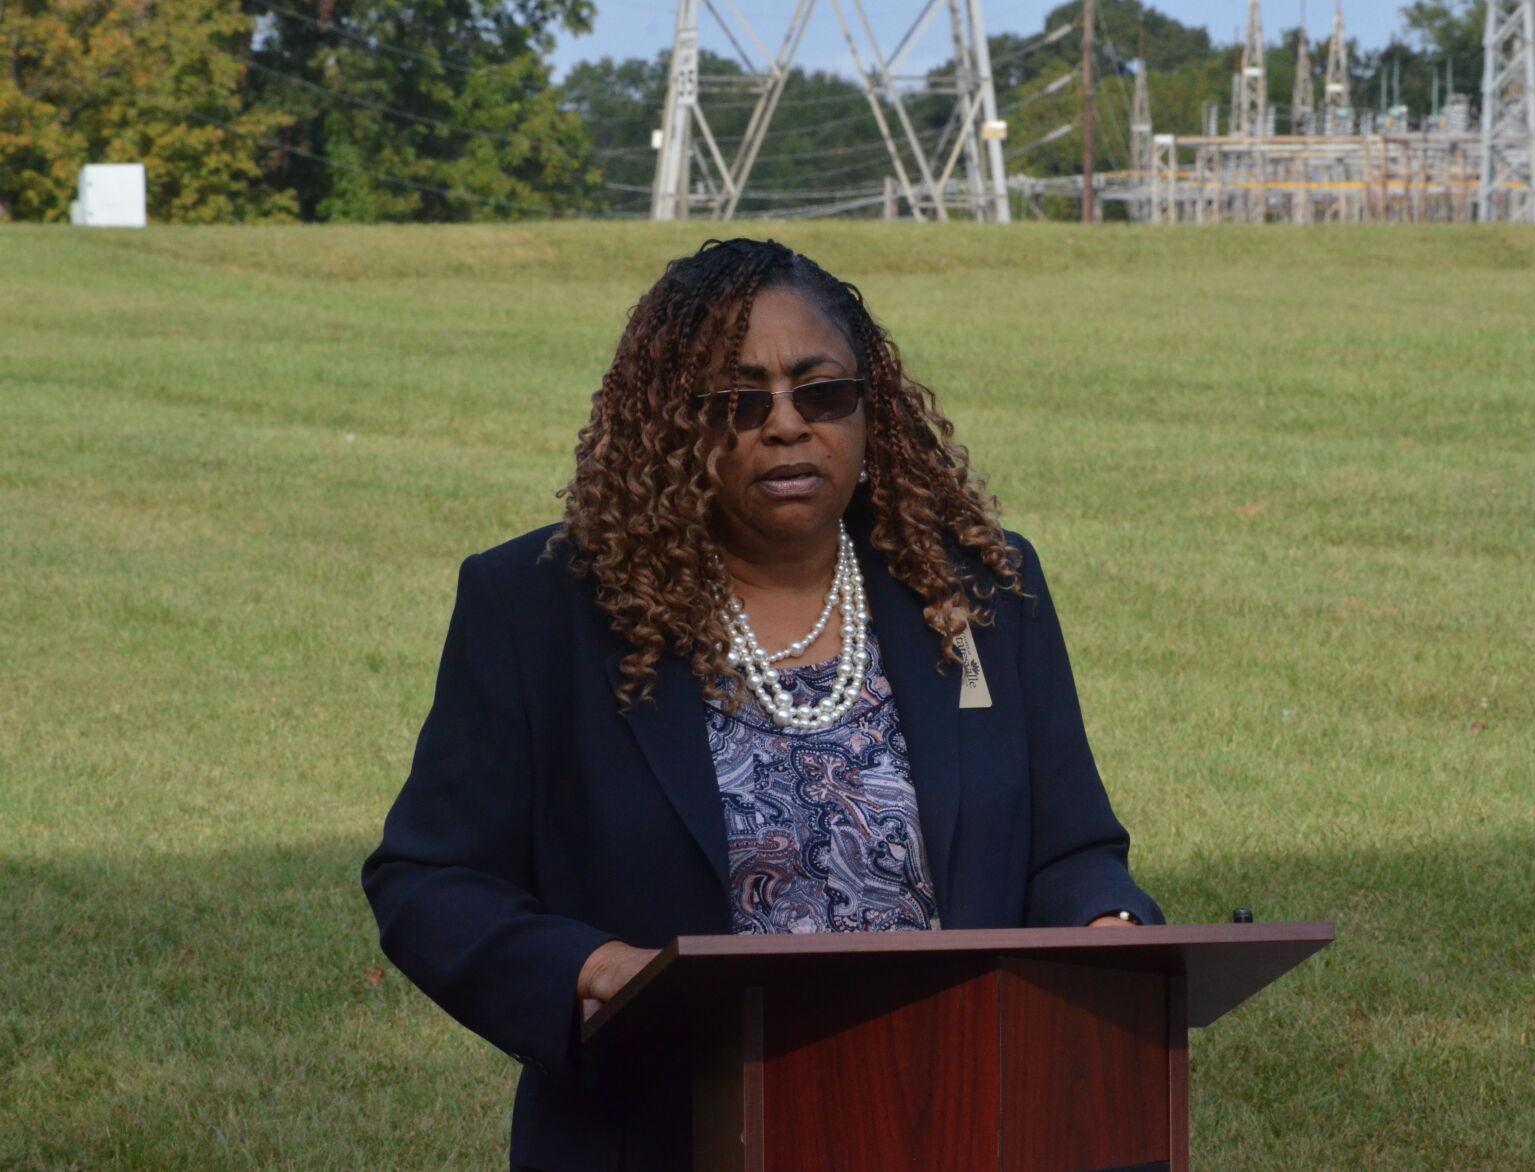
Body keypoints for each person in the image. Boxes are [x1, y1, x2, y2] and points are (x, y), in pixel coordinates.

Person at [361, 237, 1164, 1171]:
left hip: (960, 1111)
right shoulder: (540, 606)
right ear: (669, 424)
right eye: (737, 402)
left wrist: (1110, 931)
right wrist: (594, 969)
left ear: (871, 410)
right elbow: (430, 881)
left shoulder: (980, 584)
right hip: (670, 1127)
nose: (785, 426)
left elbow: (1068, 848)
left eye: (820, 392)